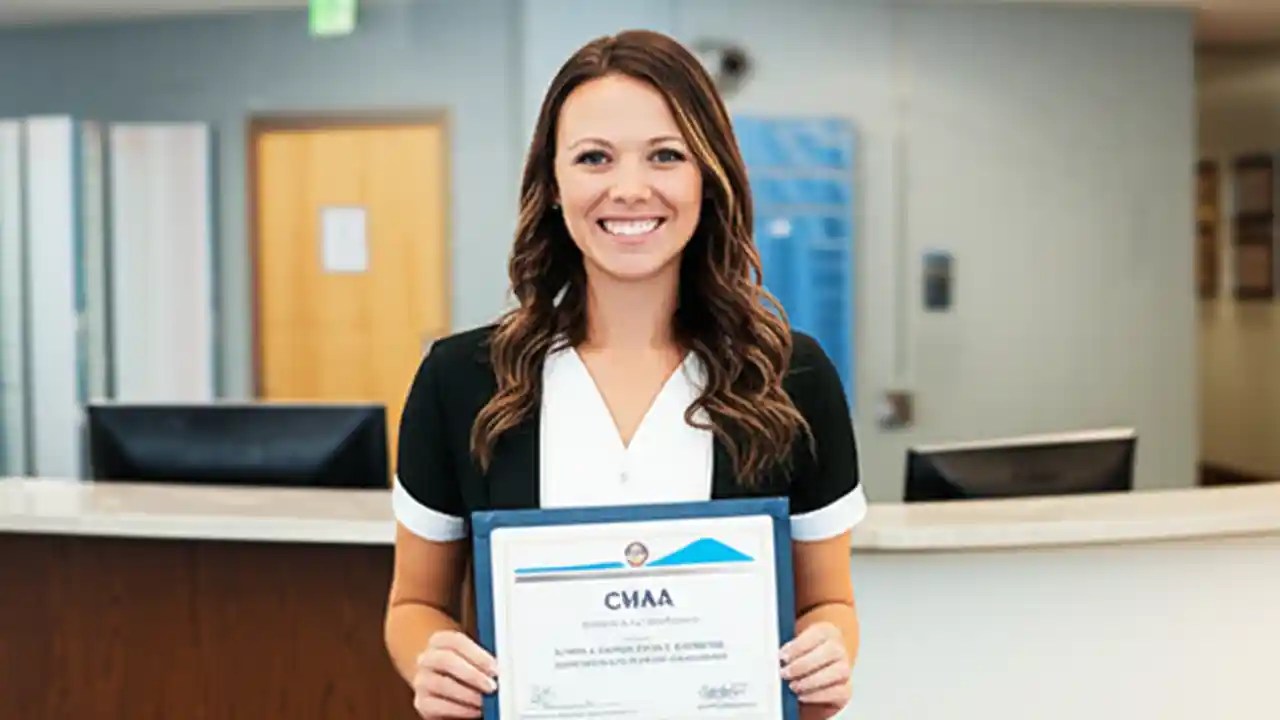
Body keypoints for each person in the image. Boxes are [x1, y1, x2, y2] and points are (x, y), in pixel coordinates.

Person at [384, 29, 867, 720]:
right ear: (554, 185)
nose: (630, 189)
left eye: (666, 155)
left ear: (708, 177)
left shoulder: (791, 376)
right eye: (594, 158)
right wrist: (432, 660)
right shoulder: (461, 380)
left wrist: (827, 652)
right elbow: (414, 604)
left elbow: (830, 603)